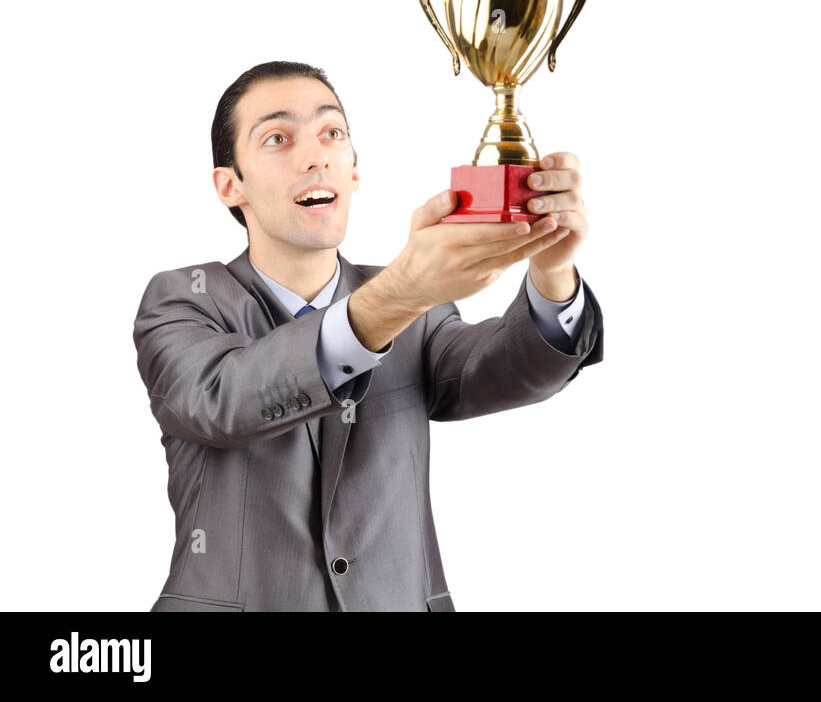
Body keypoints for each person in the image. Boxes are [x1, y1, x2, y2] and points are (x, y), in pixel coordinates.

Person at [133, 61, 602, 611]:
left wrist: (551, 275)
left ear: (354, 169)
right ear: (229, 185)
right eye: (278, 138)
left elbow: (504, 371)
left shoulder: (418, 310)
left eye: (332, 134)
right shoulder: (183, 300)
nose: (317, 156)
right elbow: (221, 400)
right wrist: (400, 293)